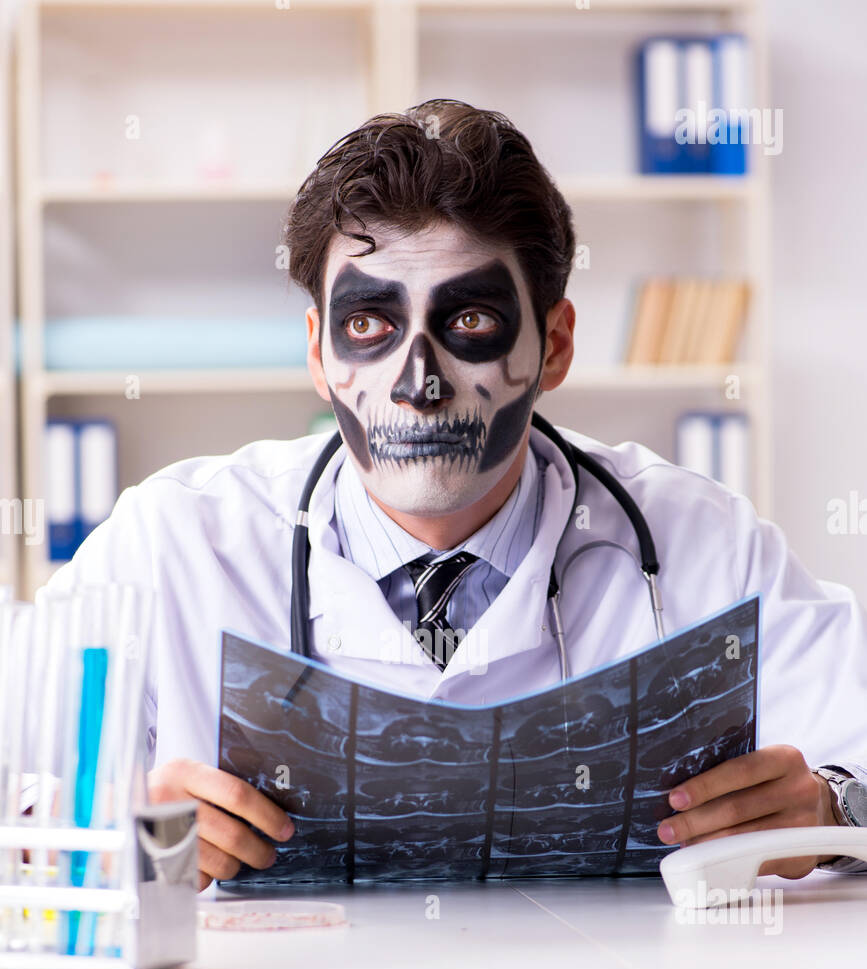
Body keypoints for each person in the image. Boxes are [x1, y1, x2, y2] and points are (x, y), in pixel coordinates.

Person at [35, 99, 867, 891]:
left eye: (469, 321)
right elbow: (20, 795)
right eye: (369, 326)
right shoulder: (171, 540)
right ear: (319, 353)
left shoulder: (702, 538)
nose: (417, 385)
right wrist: (111, 825)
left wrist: (830, 803)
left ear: (555, 345)